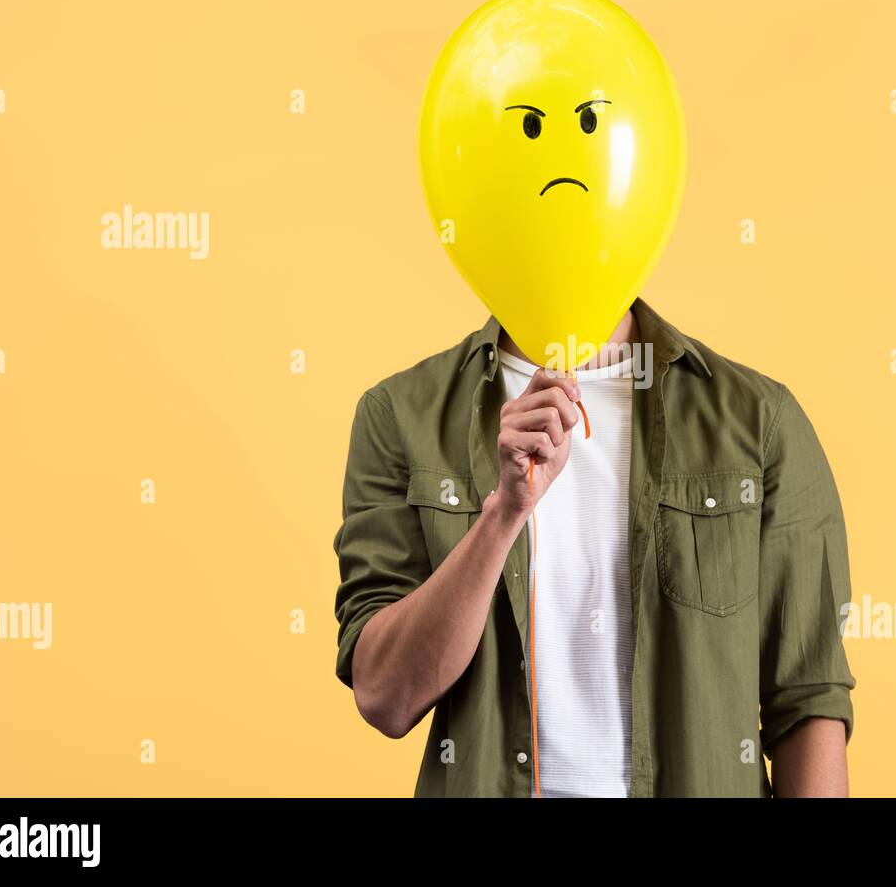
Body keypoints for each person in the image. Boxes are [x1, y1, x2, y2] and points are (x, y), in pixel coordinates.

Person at [332, 297, 856, 797]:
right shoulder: (400, 415)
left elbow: (808, 697)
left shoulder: (758, 420)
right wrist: (505, 514)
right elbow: (385, 696)